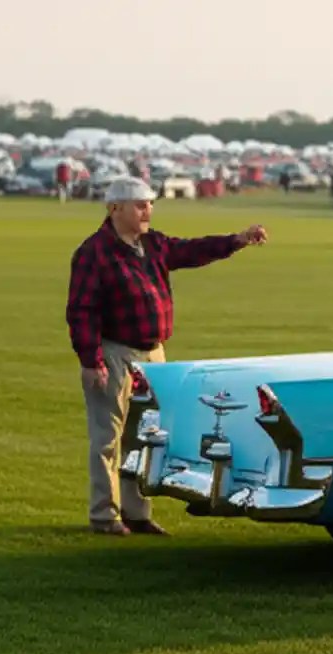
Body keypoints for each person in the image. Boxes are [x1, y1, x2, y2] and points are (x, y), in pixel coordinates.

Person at [65, 177, 268, 536]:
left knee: (143, 438)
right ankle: (104, 516)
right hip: (114, 355)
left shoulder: (152, 244)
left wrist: (235, 240)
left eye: (150, 203)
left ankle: (137, 513)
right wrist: (91, 360)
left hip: (153, 355)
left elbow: (191, 251)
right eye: (140, 205)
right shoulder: (93, 253)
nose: (148, 211)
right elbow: (82, 311)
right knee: (108, 440)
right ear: (116, 208)